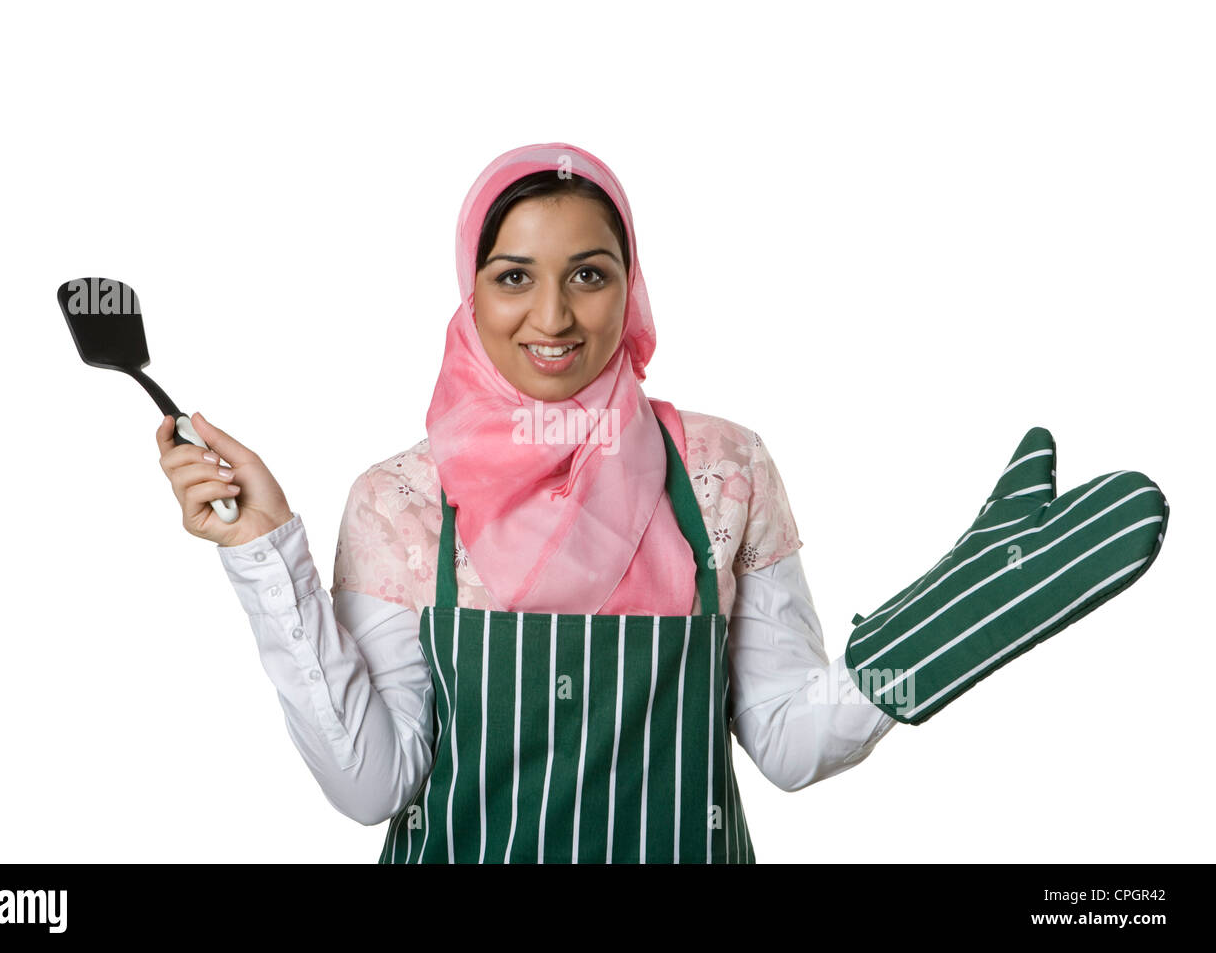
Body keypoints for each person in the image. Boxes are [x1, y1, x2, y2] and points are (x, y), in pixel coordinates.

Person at [155, 142, 896, 864]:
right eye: (514, 277)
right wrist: (265, 552)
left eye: (588, 275)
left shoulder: (722, 470)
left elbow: (789, 740)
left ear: (630, 286)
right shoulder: (404, 499)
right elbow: (371, 782)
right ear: (470, 290)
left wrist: (955, 616)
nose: (552, 318)